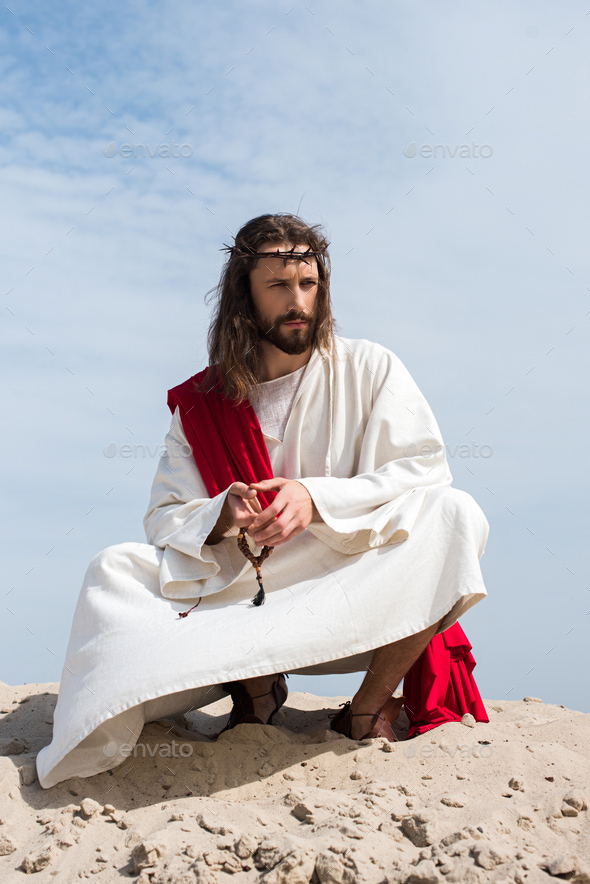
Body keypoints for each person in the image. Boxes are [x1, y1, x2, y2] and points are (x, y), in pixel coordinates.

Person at [36, 213, 490, 789]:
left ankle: (368, 708)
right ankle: (256, 690)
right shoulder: (203, 402)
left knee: (456, 515)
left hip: (348, 584)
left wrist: (313, 497)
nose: (297, 300)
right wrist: (220, 516)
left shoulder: (370, 368)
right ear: (244, 300)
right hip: (239, 601)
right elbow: (162, 519)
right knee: (111, 572)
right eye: (278, 286)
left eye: (308, 284)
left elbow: (425, 468)